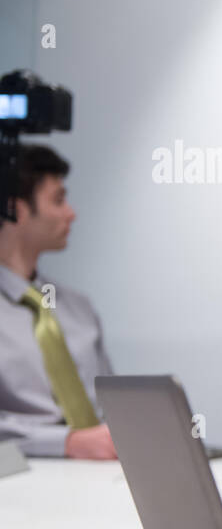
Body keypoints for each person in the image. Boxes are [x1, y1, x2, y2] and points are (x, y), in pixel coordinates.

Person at [0, 145, 117, 459]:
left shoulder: (78, 308)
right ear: (17, 209)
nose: (71, 213)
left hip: (107, 475)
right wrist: (65, 442)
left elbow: (112, 407)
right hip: (24, 481)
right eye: (58, 200)